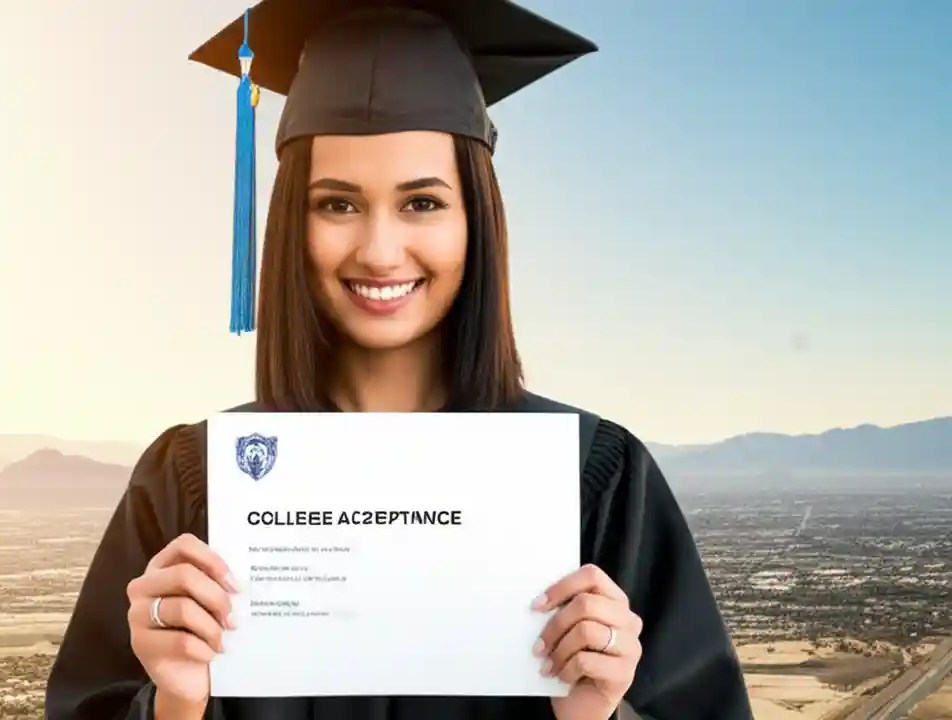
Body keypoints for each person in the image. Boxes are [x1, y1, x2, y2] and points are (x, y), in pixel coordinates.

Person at [47, 1, 754, 718]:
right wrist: (172, 705)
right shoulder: (193, 488)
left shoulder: (594, 478)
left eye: (421, 203)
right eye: (337, 204)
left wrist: (600, 716)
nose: (380, 251)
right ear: (293, 222)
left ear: (476, 220)